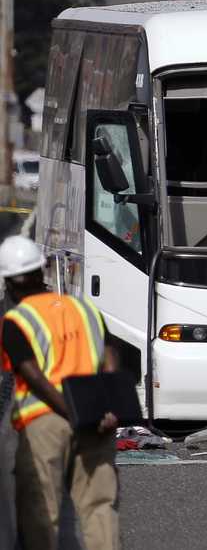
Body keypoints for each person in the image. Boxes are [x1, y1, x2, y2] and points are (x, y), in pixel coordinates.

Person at [0, 236, 119, 550]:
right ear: (42, 273)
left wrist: (72, 410)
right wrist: (107, 406)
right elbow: (110, 357)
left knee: (42, 511)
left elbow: (33, 376)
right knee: (99, 507)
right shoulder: (84, 308)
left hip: (47, 419)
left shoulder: (16, 320)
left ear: (9, 285)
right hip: (96, 416)